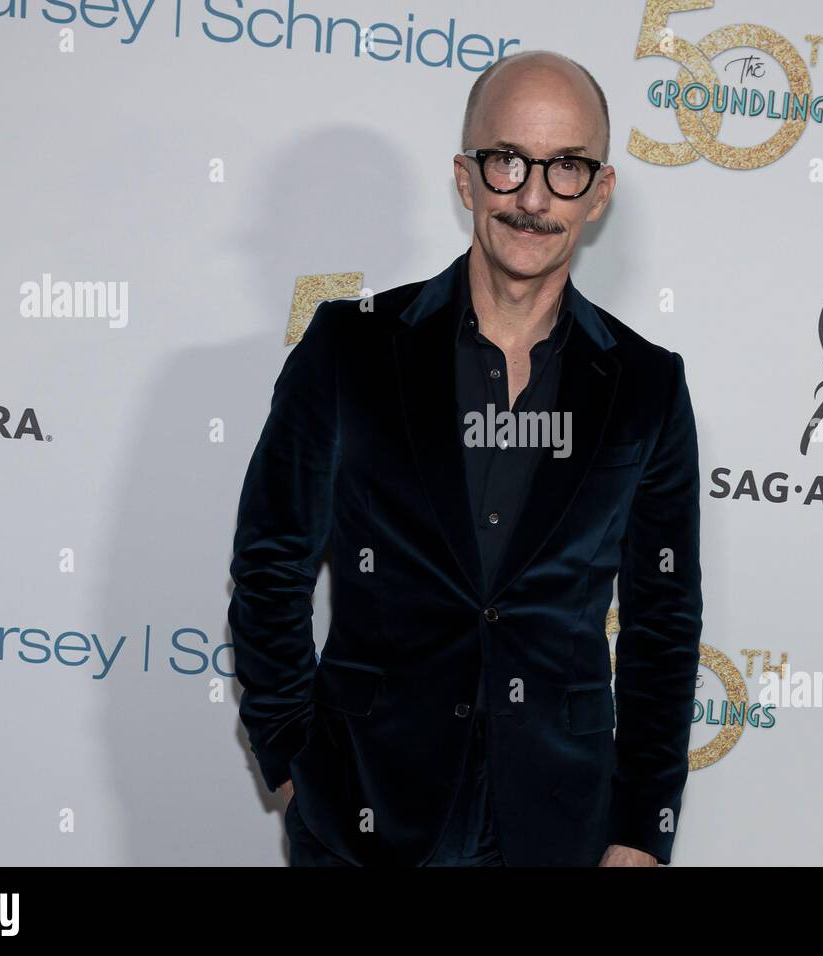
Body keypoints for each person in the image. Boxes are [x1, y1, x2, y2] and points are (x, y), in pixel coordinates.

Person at [228, 49, 703, 867]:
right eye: (508, 160)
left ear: (599, 194)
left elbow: (663, 626)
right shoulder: (350, 348)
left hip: (559, 823)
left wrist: (642, 825)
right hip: (364, 814)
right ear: (465, 176)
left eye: (566, 168)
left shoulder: (648, 386)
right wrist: (291, 758)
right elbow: (271, 565)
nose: (531, 196)